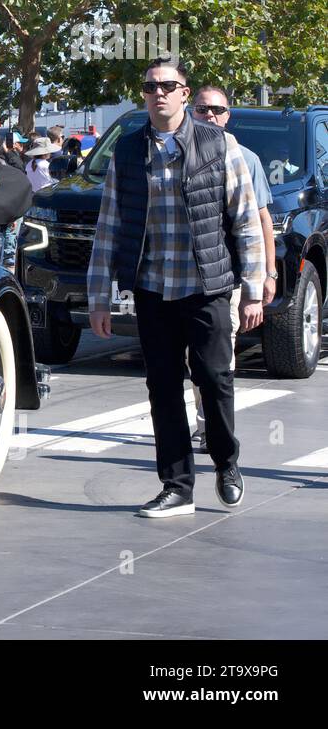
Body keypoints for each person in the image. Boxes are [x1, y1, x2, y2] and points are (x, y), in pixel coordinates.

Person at [87, 59, 263, 518]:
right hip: (151, 287)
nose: (158, 93)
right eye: (150, 86)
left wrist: (254, 288)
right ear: (142, 95)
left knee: (213, 377)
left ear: (185, 93)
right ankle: (177, 486)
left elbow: (246, 222)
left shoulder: (219, 144)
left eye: (168, 85)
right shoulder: (127, 151)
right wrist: (100, 296)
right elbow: (109, 225)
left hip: (206, 283)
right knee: (162, 385)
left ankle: (226, 461)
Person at [190, 85, 278, 449]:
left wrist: (266, 275)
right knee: (190, 355)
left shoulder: (246, 158)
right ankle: (206, 420)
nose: (209, 115)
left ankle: (211, 424)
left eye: (217, 110)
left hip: (226, 275)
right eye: (202, 109)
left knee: (218, 351)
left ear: (227, 115)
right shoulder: (179, 154)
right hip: (183, 276)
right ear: (191, 111)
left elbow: (260, 222)